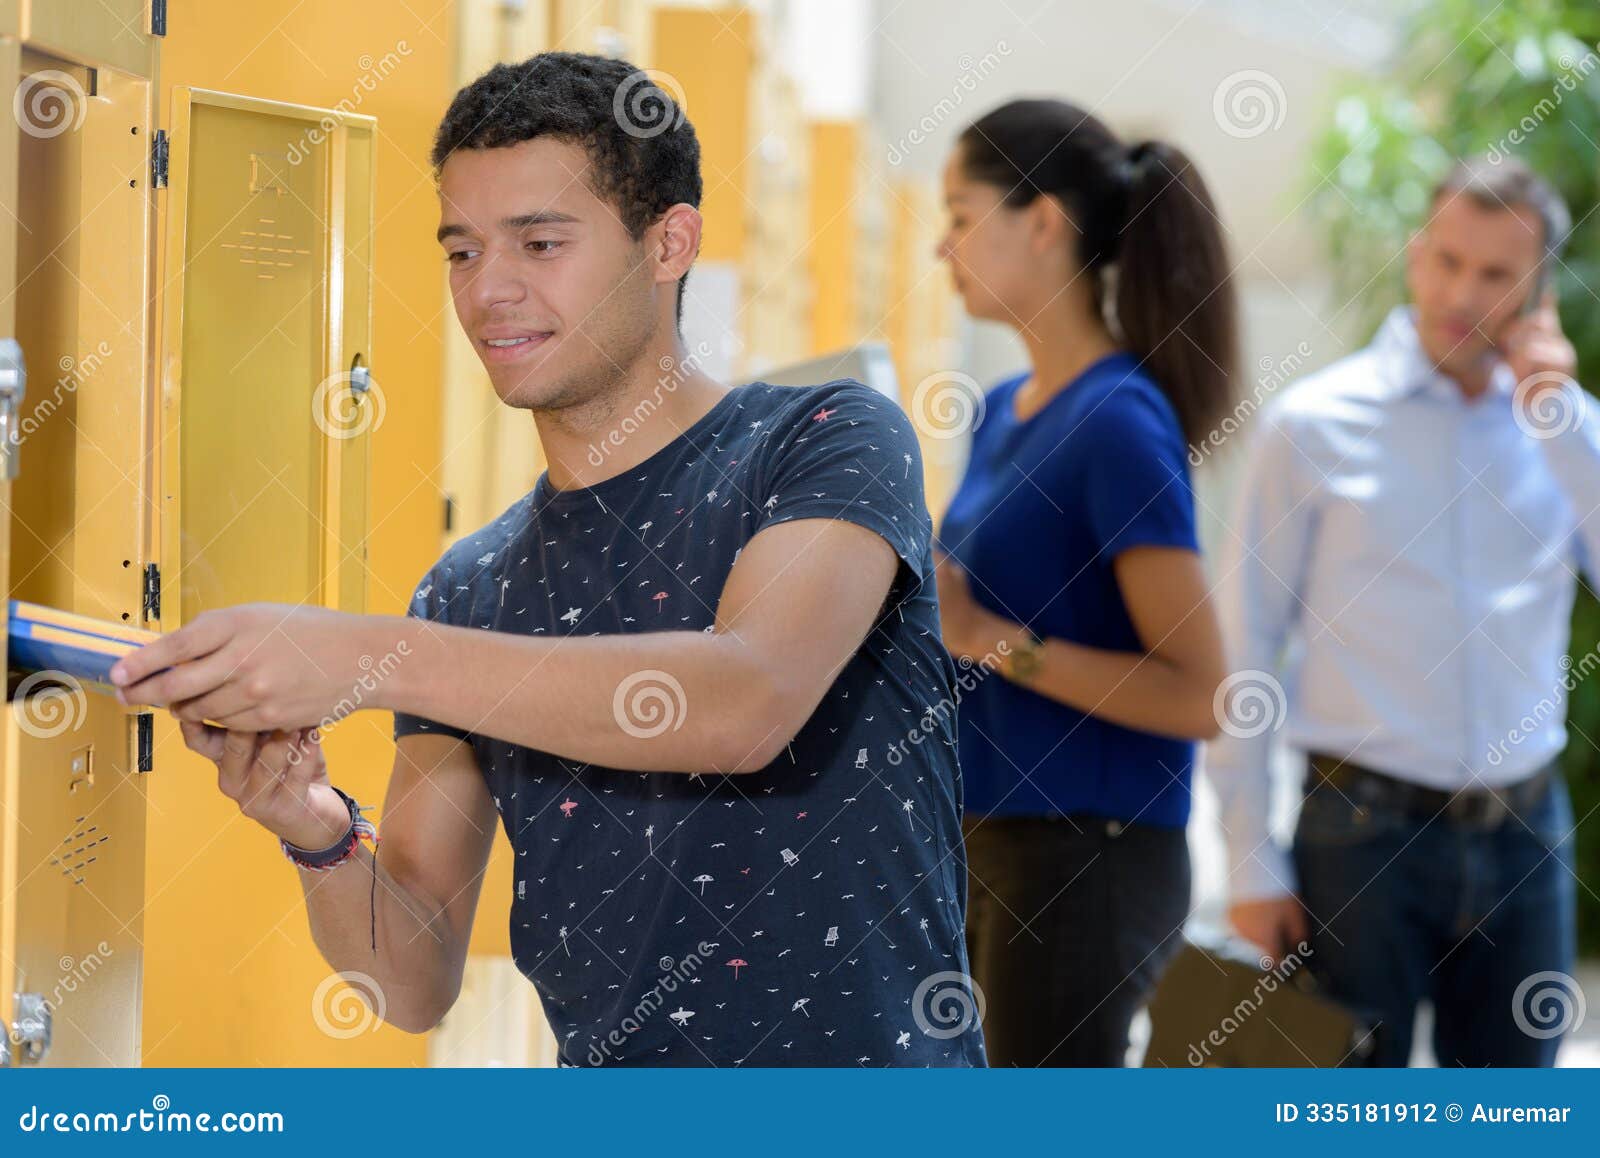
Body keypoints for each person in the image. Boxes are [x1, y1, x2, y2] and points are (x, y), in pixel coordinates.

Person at [110, 51, 985, 1068]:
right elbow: (411, 979)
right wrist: (311, 829)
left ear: (669, 244)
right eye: (462, 252)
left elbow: (744, 700)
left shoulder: (824, 440)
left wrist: (364, 653)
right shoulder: (471, 588)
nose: (490, 293)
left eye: (538, 242)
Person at [1208, 155, 1585, 1066]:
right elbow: (1244, 643)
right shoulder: (1311, 424)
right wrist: (1249, 861)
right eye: (1447, 260)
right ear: (1416, 254)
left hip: (1527, 836)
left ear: (1539, 293)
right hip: (1360, 838)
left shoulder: (1569, 434)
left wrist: (1562, 419)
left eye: (1497, 275)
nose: (1461, 293)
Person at [931, 99, 1234, 1066]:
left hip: (1087, 854)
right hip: (996, 839)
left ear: (1044, 222)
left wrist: (989, 638)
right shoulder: (998, 411)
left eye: (961, 213)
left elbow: (1201, 692)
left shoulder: (1118, 421)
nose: (944, 248)